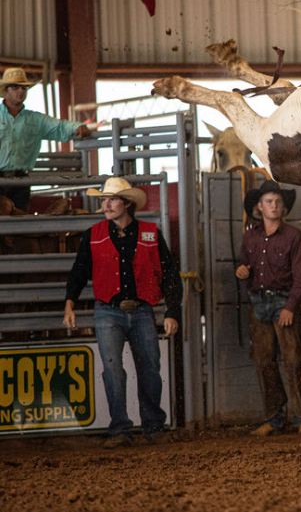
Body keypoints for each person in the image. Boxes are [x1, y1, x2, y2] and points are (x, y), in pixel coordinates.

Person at [62, 177, 181, 448]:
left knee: (149, 369)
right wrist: (70, 302)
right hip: (109, 310)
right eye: (104, 200)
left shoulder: (150, 233)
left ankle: (150, 425)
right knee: (115, 370)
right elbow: (79, 272)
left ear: (126, 203)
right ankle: (122, 428)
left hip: (139, 310)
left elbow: (170, 275)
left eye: (111, 199)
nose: (106, 204)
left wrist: (172, 311)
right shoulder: (93, 235)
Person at [236, 180, 301, 435]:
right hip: (259, 303)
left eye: (278, 202)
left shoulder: (294, 236)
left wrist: (290, 307)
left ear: (283, 208)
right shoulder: (249, 237)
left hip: (284, 302)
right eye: (269, 201)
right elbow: (244, 267)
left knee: (293, 360)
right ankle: (274, 419)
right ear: (260, 207)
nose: (274, 206)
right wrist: (242, 271)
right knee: (264, 361)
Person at [1, 67, 91, 210]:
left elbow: (60, 126)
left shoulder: (36, 120)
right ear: (5, 91)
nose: (21, 91)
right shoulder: (36, 120)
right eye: (15, 87)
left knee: (19, 224)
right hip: (12, 180)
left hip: (21, 181)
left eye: (24, 87)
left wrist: (77, 127)